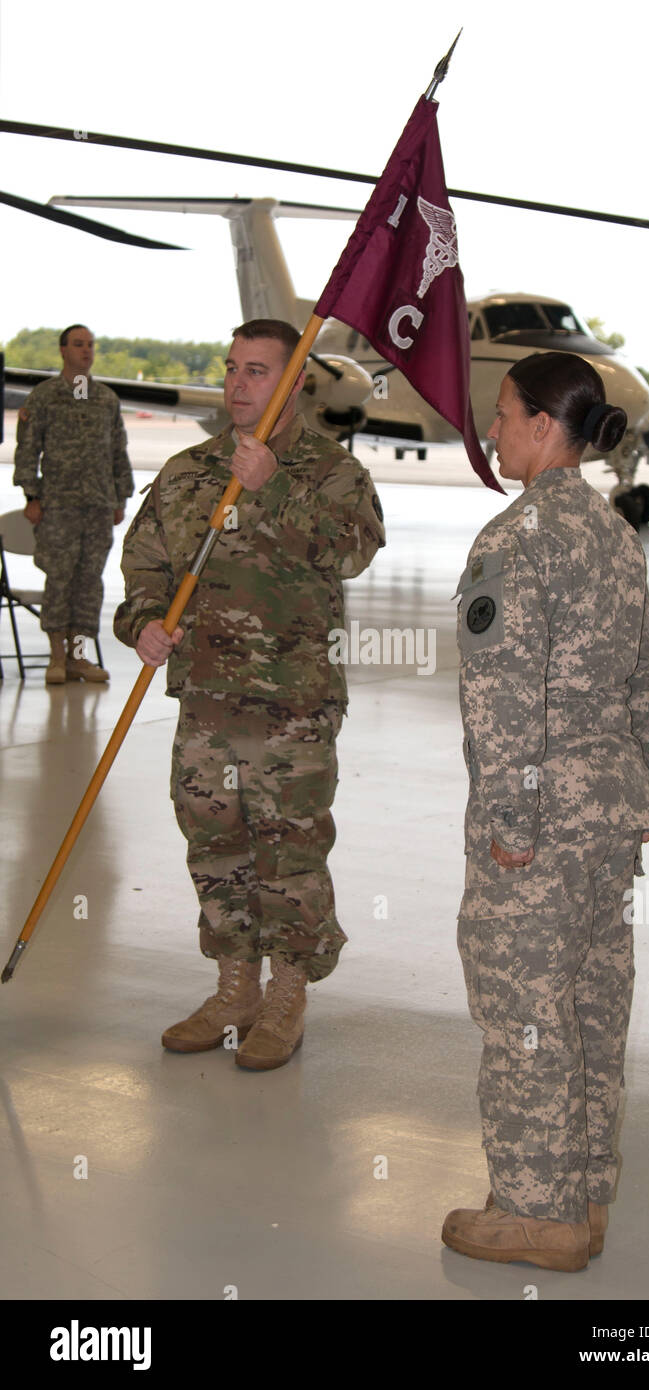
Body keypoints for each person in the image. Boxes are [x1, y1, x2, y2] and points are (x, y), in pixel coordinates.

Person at [442, 352, 649, 1271]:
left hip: (539, 826)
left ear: (545, 425)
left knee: (525, 1010)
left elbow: (501, 700)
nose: (493, 430)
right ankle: (583, 1193)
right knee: (590, 1002)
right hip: (607, 814)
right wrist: (648, 784)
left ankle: (537, 1213)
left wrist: (512, 820)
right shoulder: (612, 532)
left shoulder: (518, 537)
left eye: (503, 414)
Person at [114, 318, 385, 1070]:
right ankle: (235, 989)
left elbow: (352, 550)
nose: (237, 383)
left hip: (291, 704)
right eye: (232, 367)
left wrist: (274, 488)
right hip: (206, 699)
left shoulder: (329, 471)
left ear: (293, 382)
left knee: (290, 851)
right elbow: (144, 565)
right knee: (215, 846)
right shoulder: (188, 471)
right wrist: (143, 623)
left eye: (257, 371)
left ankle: (286, 997)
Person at [13, 324, 134, 683]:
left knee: (89, 584)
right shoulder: (45, 397)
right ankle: (57, 657)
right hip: (58, 507)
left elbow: (118, 451)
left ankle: (78, 658)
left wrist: (120, 497)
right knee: (60, 580)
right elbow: (28, 449)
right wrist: (32, 496)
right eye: (79, 344)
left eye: (90, 345)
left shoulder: (106, 399)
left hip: (98, 506)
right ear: (63, 350)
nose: (86, 351)